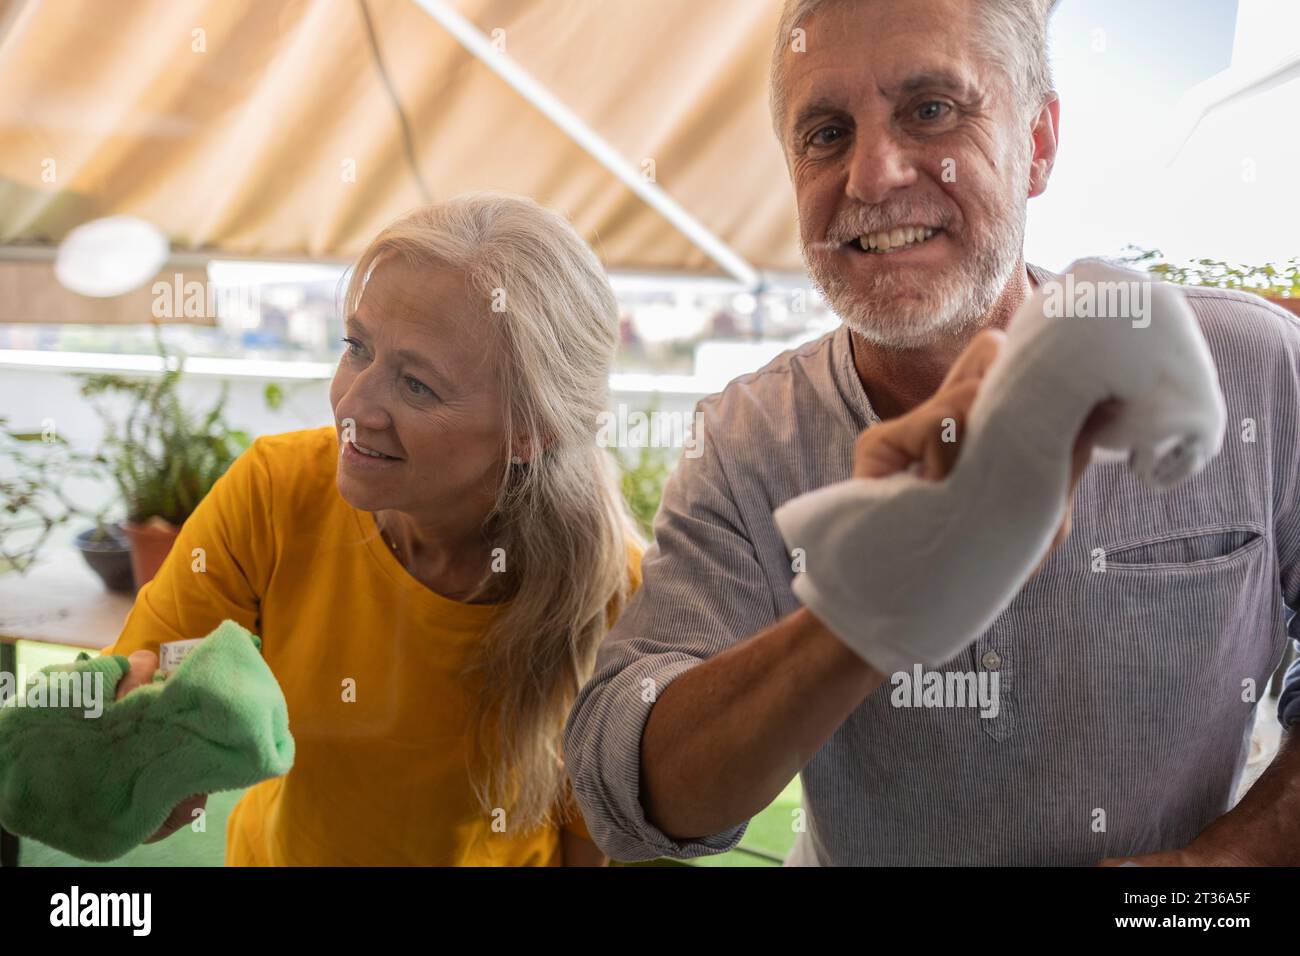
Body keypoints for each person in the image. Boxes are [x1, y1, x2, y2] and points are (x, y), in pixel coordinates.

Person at [563, 0, 1300, 866]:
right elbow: (626, 784)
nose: (872, 175)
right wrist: (865, 610)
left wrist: (1228, 862)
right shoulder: (746, 440)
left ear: (1039, 142)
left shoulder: (1257, 370)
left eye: (931, 109)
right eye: (827, 133)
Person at [107, 192, 644, 866]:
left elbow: (585, 836)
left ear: (530, 432)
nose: (353, 407)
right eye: (356, 347)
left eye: (417, 385)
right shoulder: (274, 492)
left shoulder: (613, 585)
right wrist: (146, 765)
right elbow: (135, 751)